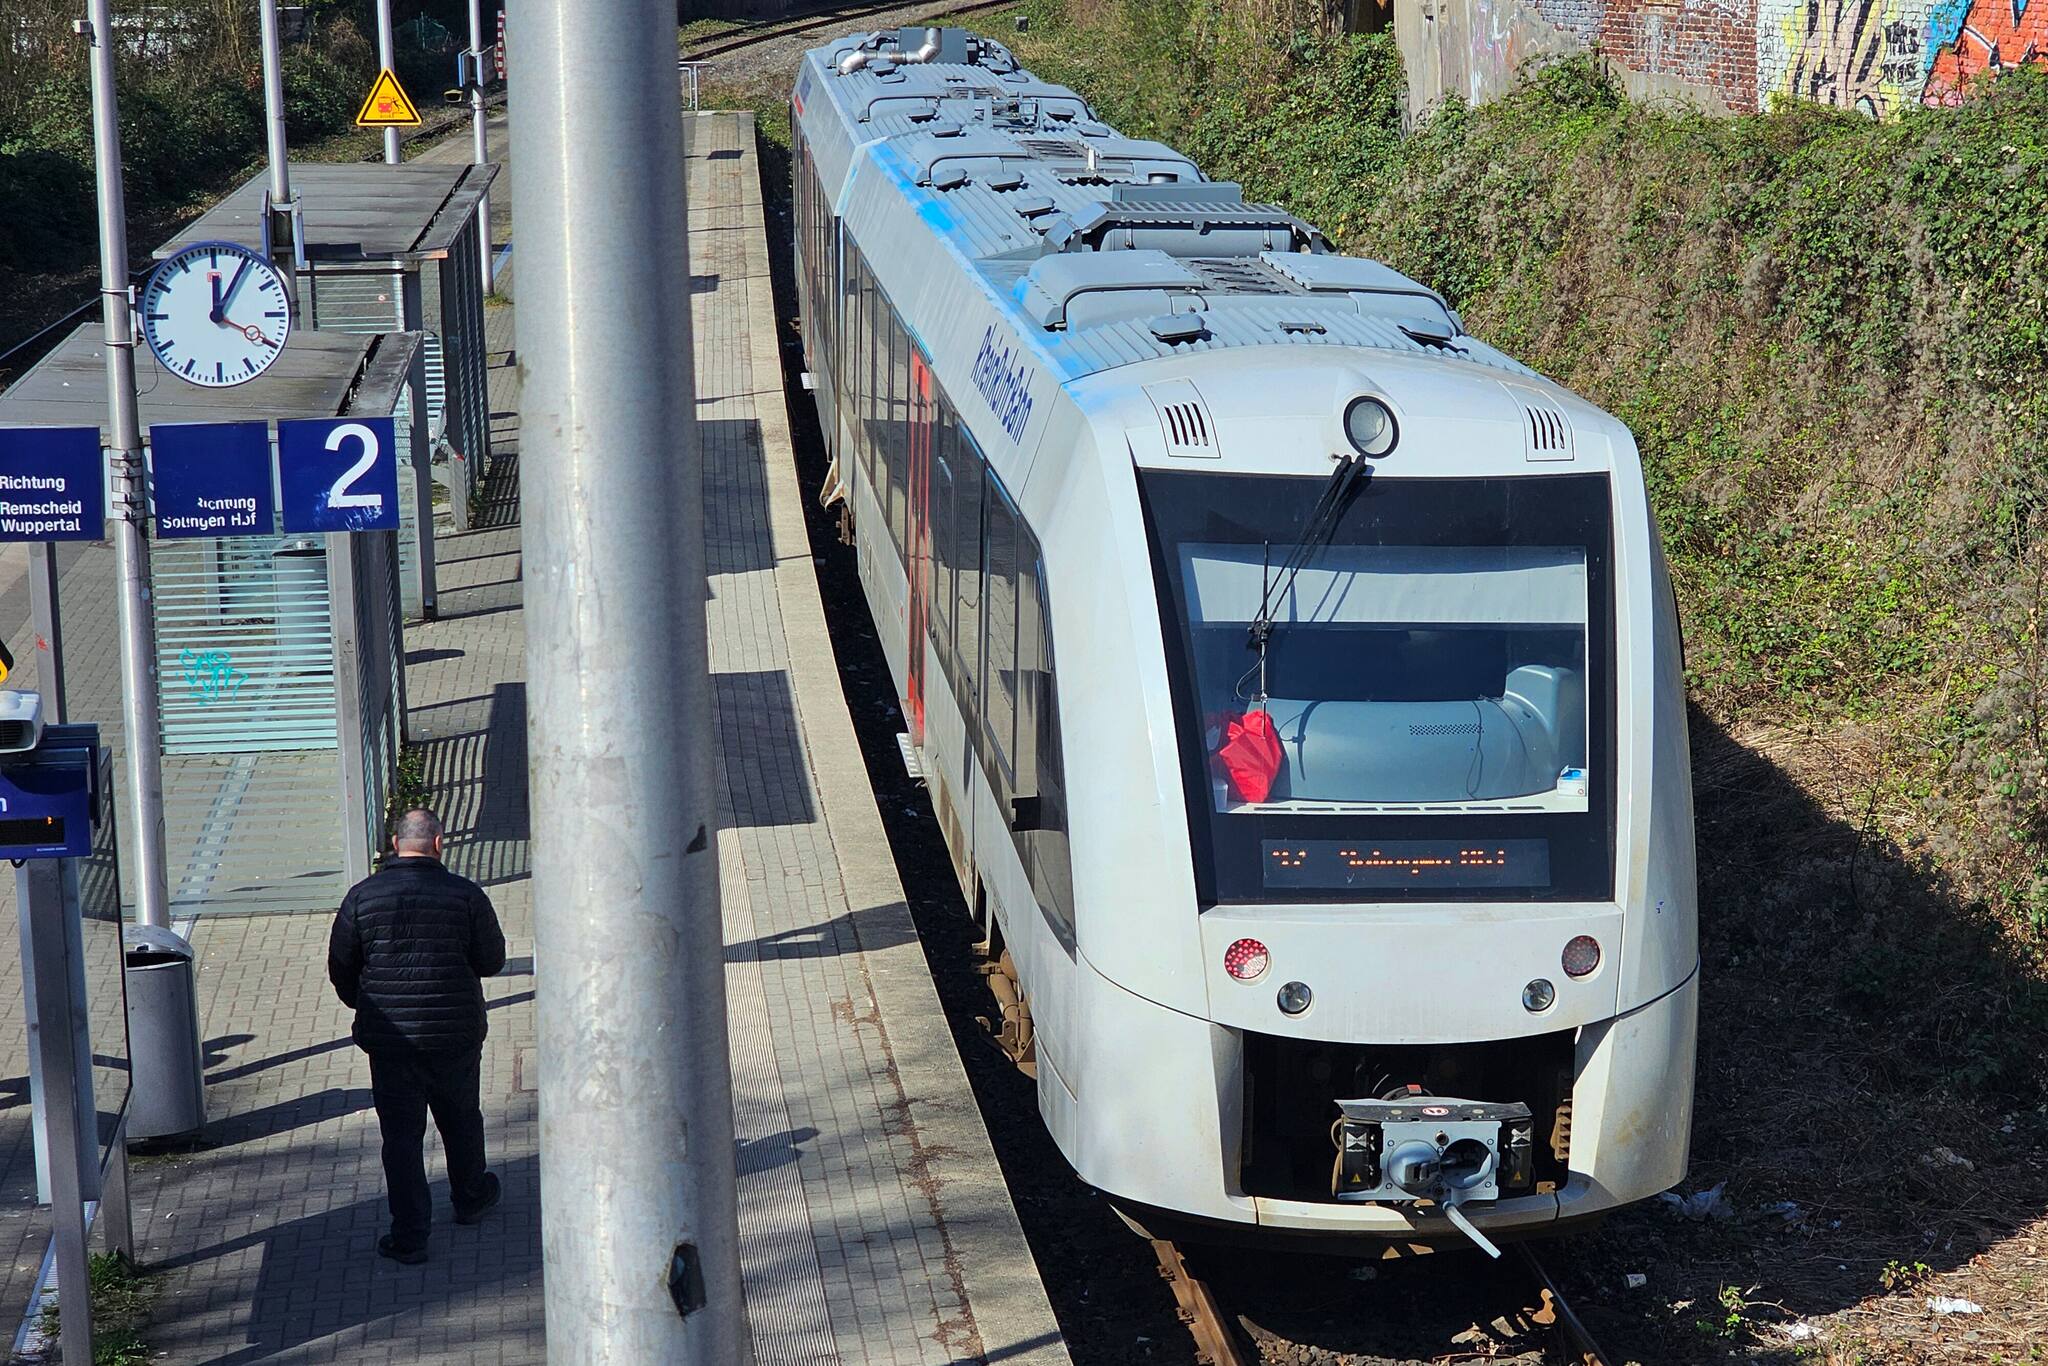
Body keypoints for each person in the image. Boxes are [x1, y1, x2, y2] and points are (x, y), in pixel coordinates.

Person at [328, 807, 507, 1264]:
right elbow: (491, 961)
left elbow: (342, 965)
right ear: (439, 843)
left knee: (401, 1137)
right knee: (461, 1119)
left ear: (394, 844)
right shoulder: (465, 895)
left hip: (391, 1041)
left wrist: (367, 1006)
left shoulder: (361, 897)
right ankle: (470, 1197)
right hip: (454, 1034)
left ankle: (410, 1235)